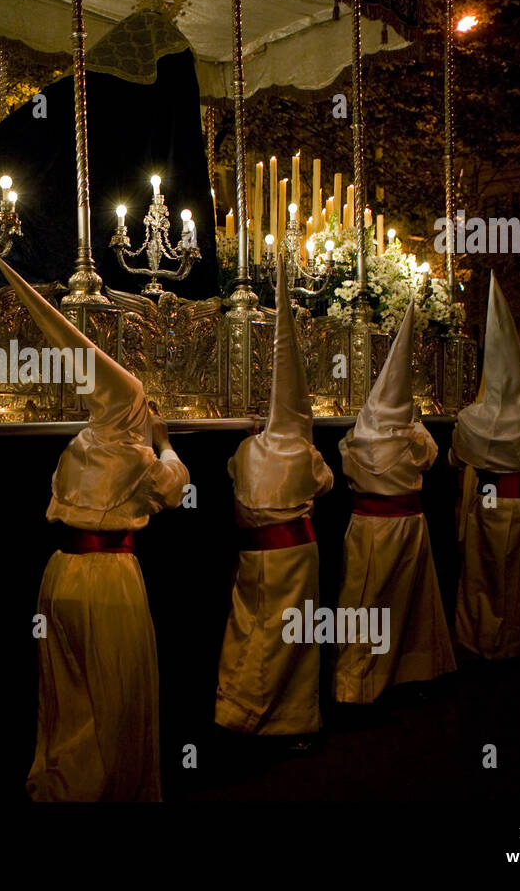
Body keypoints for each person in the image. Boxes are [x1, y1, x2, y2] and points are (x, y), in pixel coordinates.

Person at [0, 249, 187, 802]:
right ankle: (112, 787)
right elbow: (175, 489)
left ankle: (65, 782)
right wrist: (164, 442)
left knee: (67, 692)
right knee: (117, 691)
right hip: (108, 580)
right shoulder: (138, 456)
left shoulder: (80, 445)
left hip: (59, 575)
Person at [216, 255, 333, 735]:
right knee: (294, 637)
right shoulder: (306, 454)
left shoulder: (246, 448)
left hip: (252, 556)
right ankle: (290, 720)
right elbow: (324, 485)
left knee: (248, 631)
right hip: (298, 554)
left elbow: (232, 472)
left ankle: (236, 709)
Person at [335, 301, 455, 703]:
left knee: (367, 602)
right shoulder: (415, 439)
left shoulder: (357, 438)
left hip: (370, 528)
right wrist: (415, 422)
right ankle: (412, 669)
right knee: (412, 600)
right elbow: (433, 455)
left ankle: (359, 683)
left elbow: (346, 463)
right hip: (409, 525)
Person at [454, 272, 520, 660]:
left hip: (491, 501)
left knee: (486, 574)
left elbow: (458, 458)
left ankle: (487, 638)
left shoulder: (472, 419)